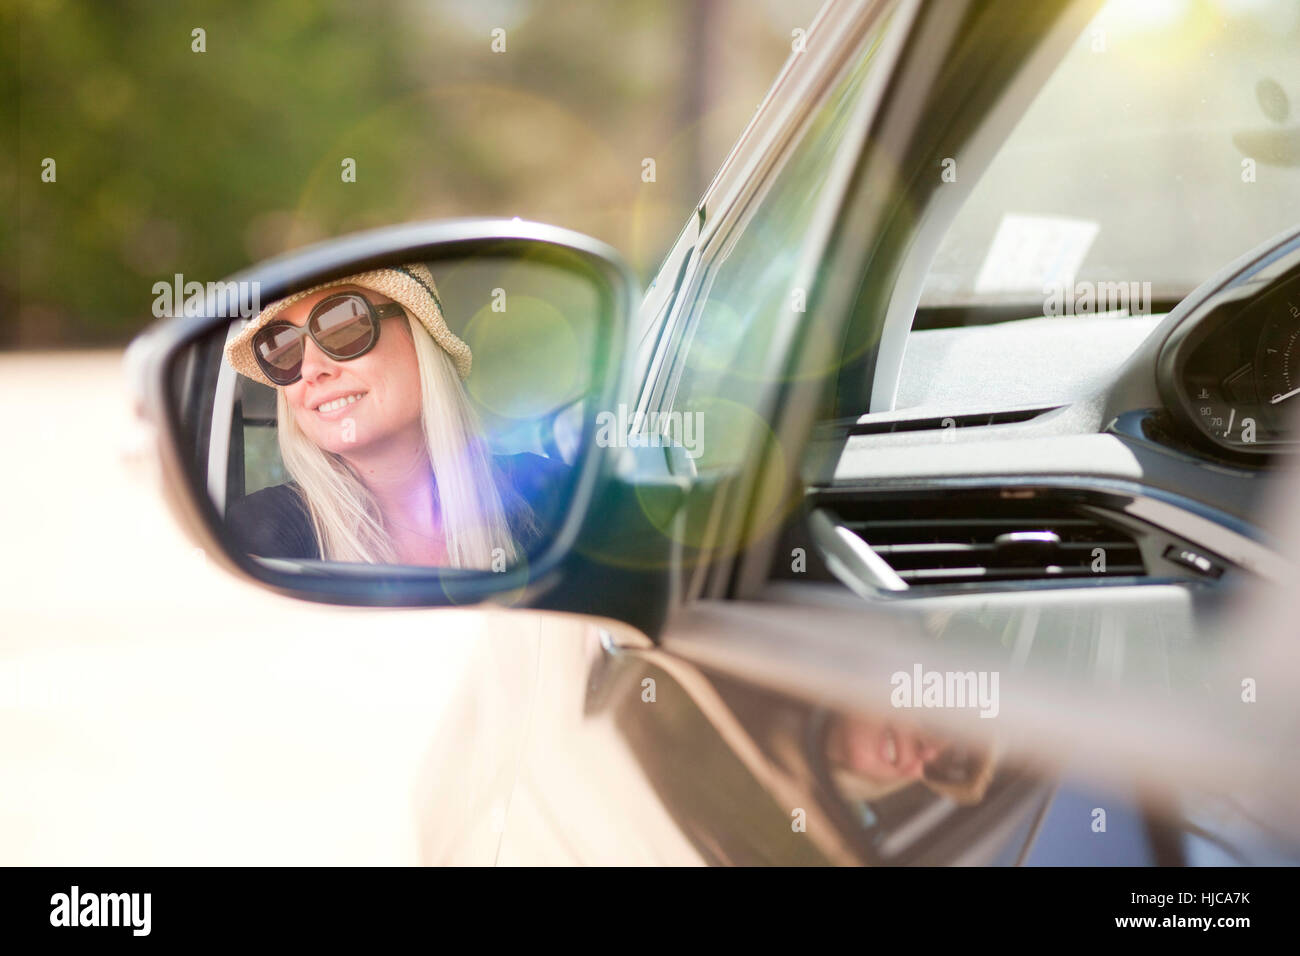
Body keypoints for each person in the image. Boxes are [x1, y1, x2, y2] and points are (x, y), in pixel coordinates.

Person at [222, 263, 567, 568]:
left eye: (343, 325)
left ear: (419, 340)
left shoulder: (550, 493)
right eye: (282, 346)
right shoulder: (257, 532)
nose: (311, 369)